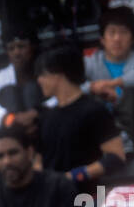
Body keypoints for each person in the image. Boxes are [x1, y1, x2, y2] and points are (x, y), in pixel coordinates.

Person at [13, 45, 125, 196]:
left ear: (59, 74)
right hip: (51, 201)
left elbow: (116, 157)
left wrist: (73, 176)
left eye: (43, 74)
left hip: (85, 198)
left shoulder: (94, 110)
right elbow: (38, 160)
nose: (39, 80)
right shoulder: (46, 116)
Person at [83, 6, 134, 156]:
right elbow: (69, 86)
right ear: (102, 39)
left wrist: (115, 83)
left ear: (133, 38)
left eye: (123, 33)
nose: (117, 39)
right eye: (112, 33)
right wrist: (93, 88)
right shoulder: (90, 62)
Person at [0, 25, 45, 129]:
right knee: (9, 92)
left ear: (32, 47)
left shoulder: (46, 71)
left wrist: (36, 113)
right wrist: (12, 119)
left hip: (44, 125)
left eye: (21, 46)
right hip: (14, 130)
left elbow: (60, 96)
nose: (16, 53)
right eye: (11, 48)